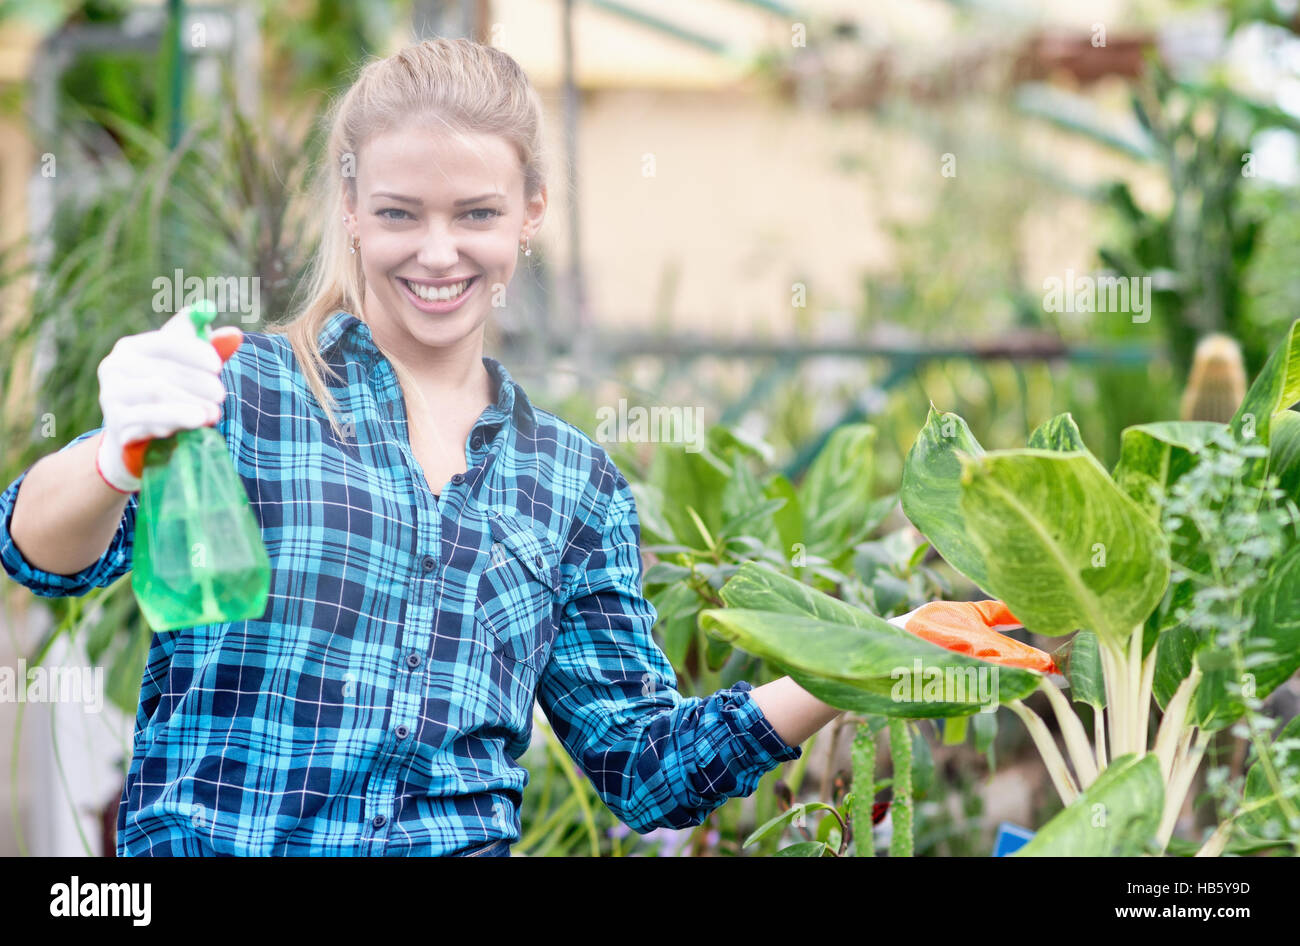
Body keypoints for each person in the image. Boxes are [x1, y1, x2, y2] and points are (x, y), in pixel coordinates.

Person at [0, 38, 847, 857]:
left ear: (530, 213)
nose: (437, 253)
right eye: (401, 213)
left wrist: (863, 660)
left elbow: (644, 767)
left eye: (476, 213)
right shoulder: (246, 388)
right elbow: (37, 549)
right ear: (352, 209)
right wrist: (114, 457)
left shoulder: (569, 483)